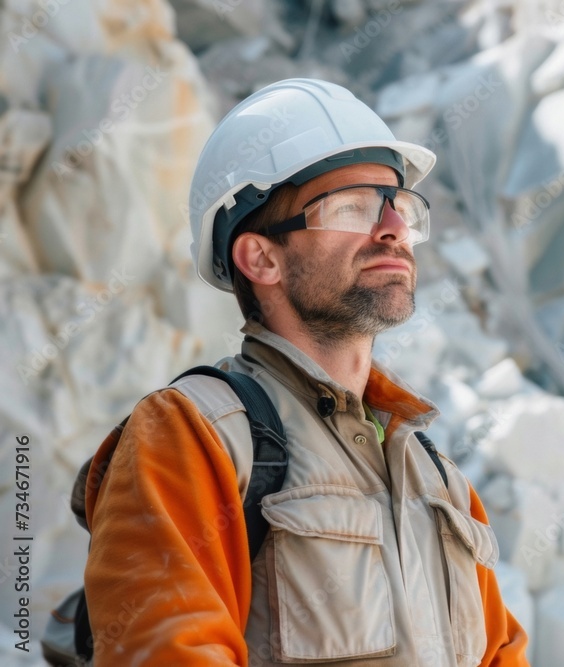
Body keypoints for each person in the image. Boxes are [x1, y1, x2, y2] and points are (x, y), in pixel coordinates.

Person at [83, 78, 530, 666]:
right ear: (261, 257)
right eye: (352, 207)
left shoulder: (438, 480)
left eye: (399, 207)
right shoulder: (192, 435)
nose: (393, 228)